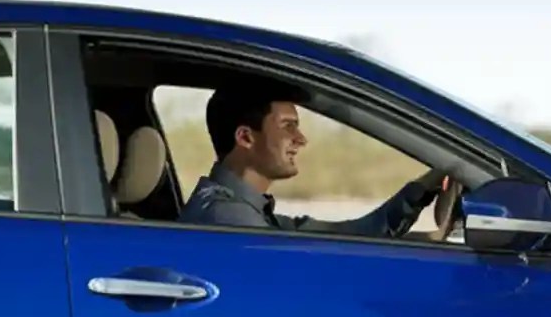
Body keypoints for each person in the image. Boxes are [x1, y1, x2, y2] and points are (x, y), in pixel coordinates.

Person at [178, 81, 447, 238]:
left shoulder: (243, 210)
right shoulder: (227, 218)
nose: (301, 139)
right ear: (246, 137)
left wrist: (421, 189)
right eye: (287, 126)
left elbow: (349, 235)